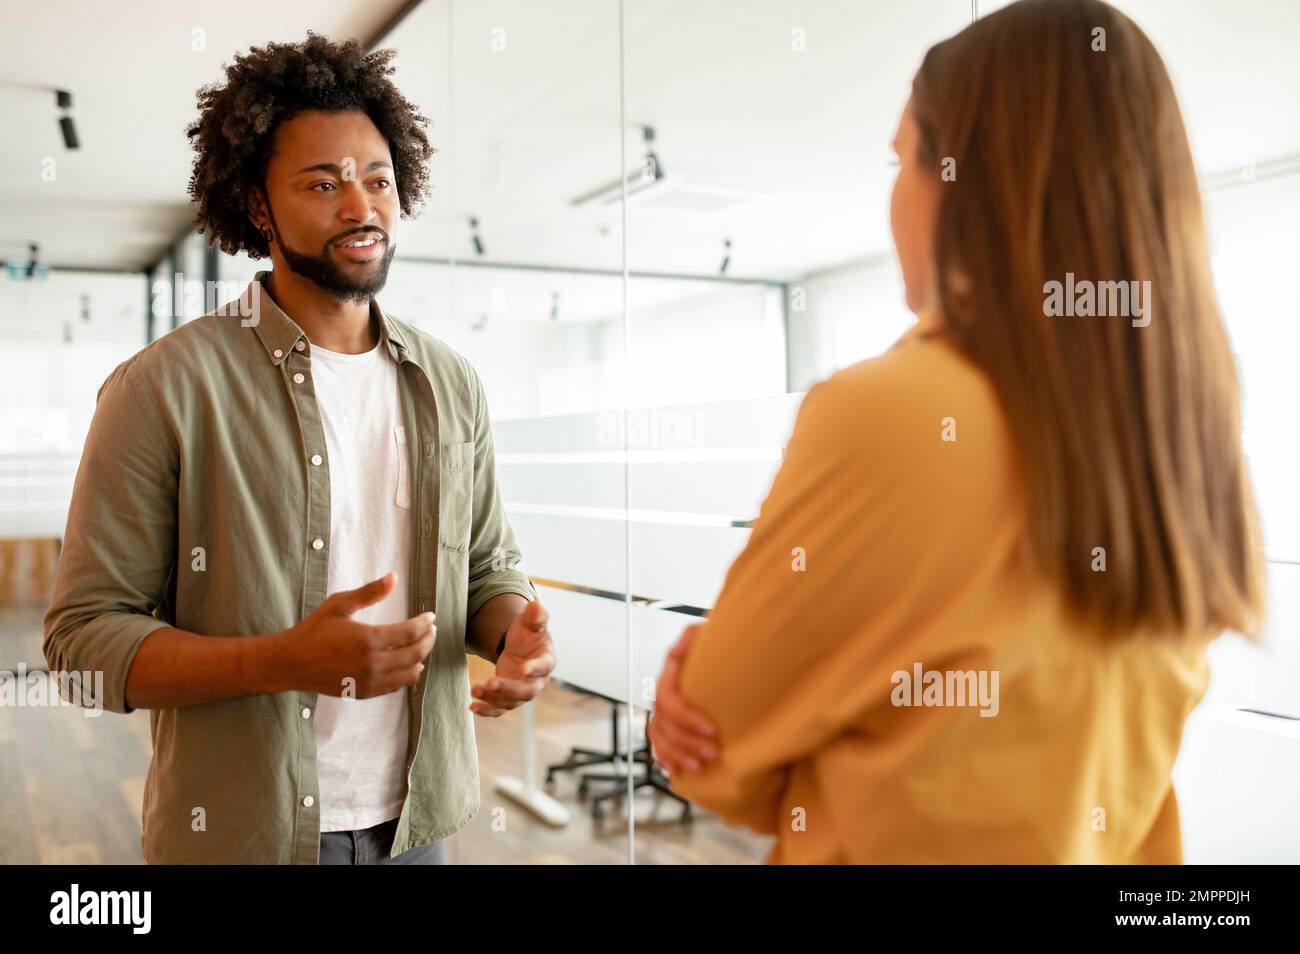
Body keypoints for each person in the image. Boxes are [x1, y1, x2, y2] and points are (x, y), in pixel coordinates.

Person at [647, 0, 1266, 864]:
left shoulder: (890, 412)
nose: (895, 198)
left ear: (973, 180)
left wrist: (712, 683)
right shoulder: (1185, 424)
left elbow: (716, 750)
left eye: (904, 160)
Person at [43, 33, 555, 865]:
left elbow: (488, 567)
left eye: (378, 179)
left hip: (420, 825)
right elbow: (82, 647)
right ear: (256, 205)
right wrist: (279, 660)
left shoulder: (451, 382)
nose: (362, 207)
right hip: (244, 834)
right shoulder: (162, 387)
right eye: (323, 184)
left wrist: (515, 634)